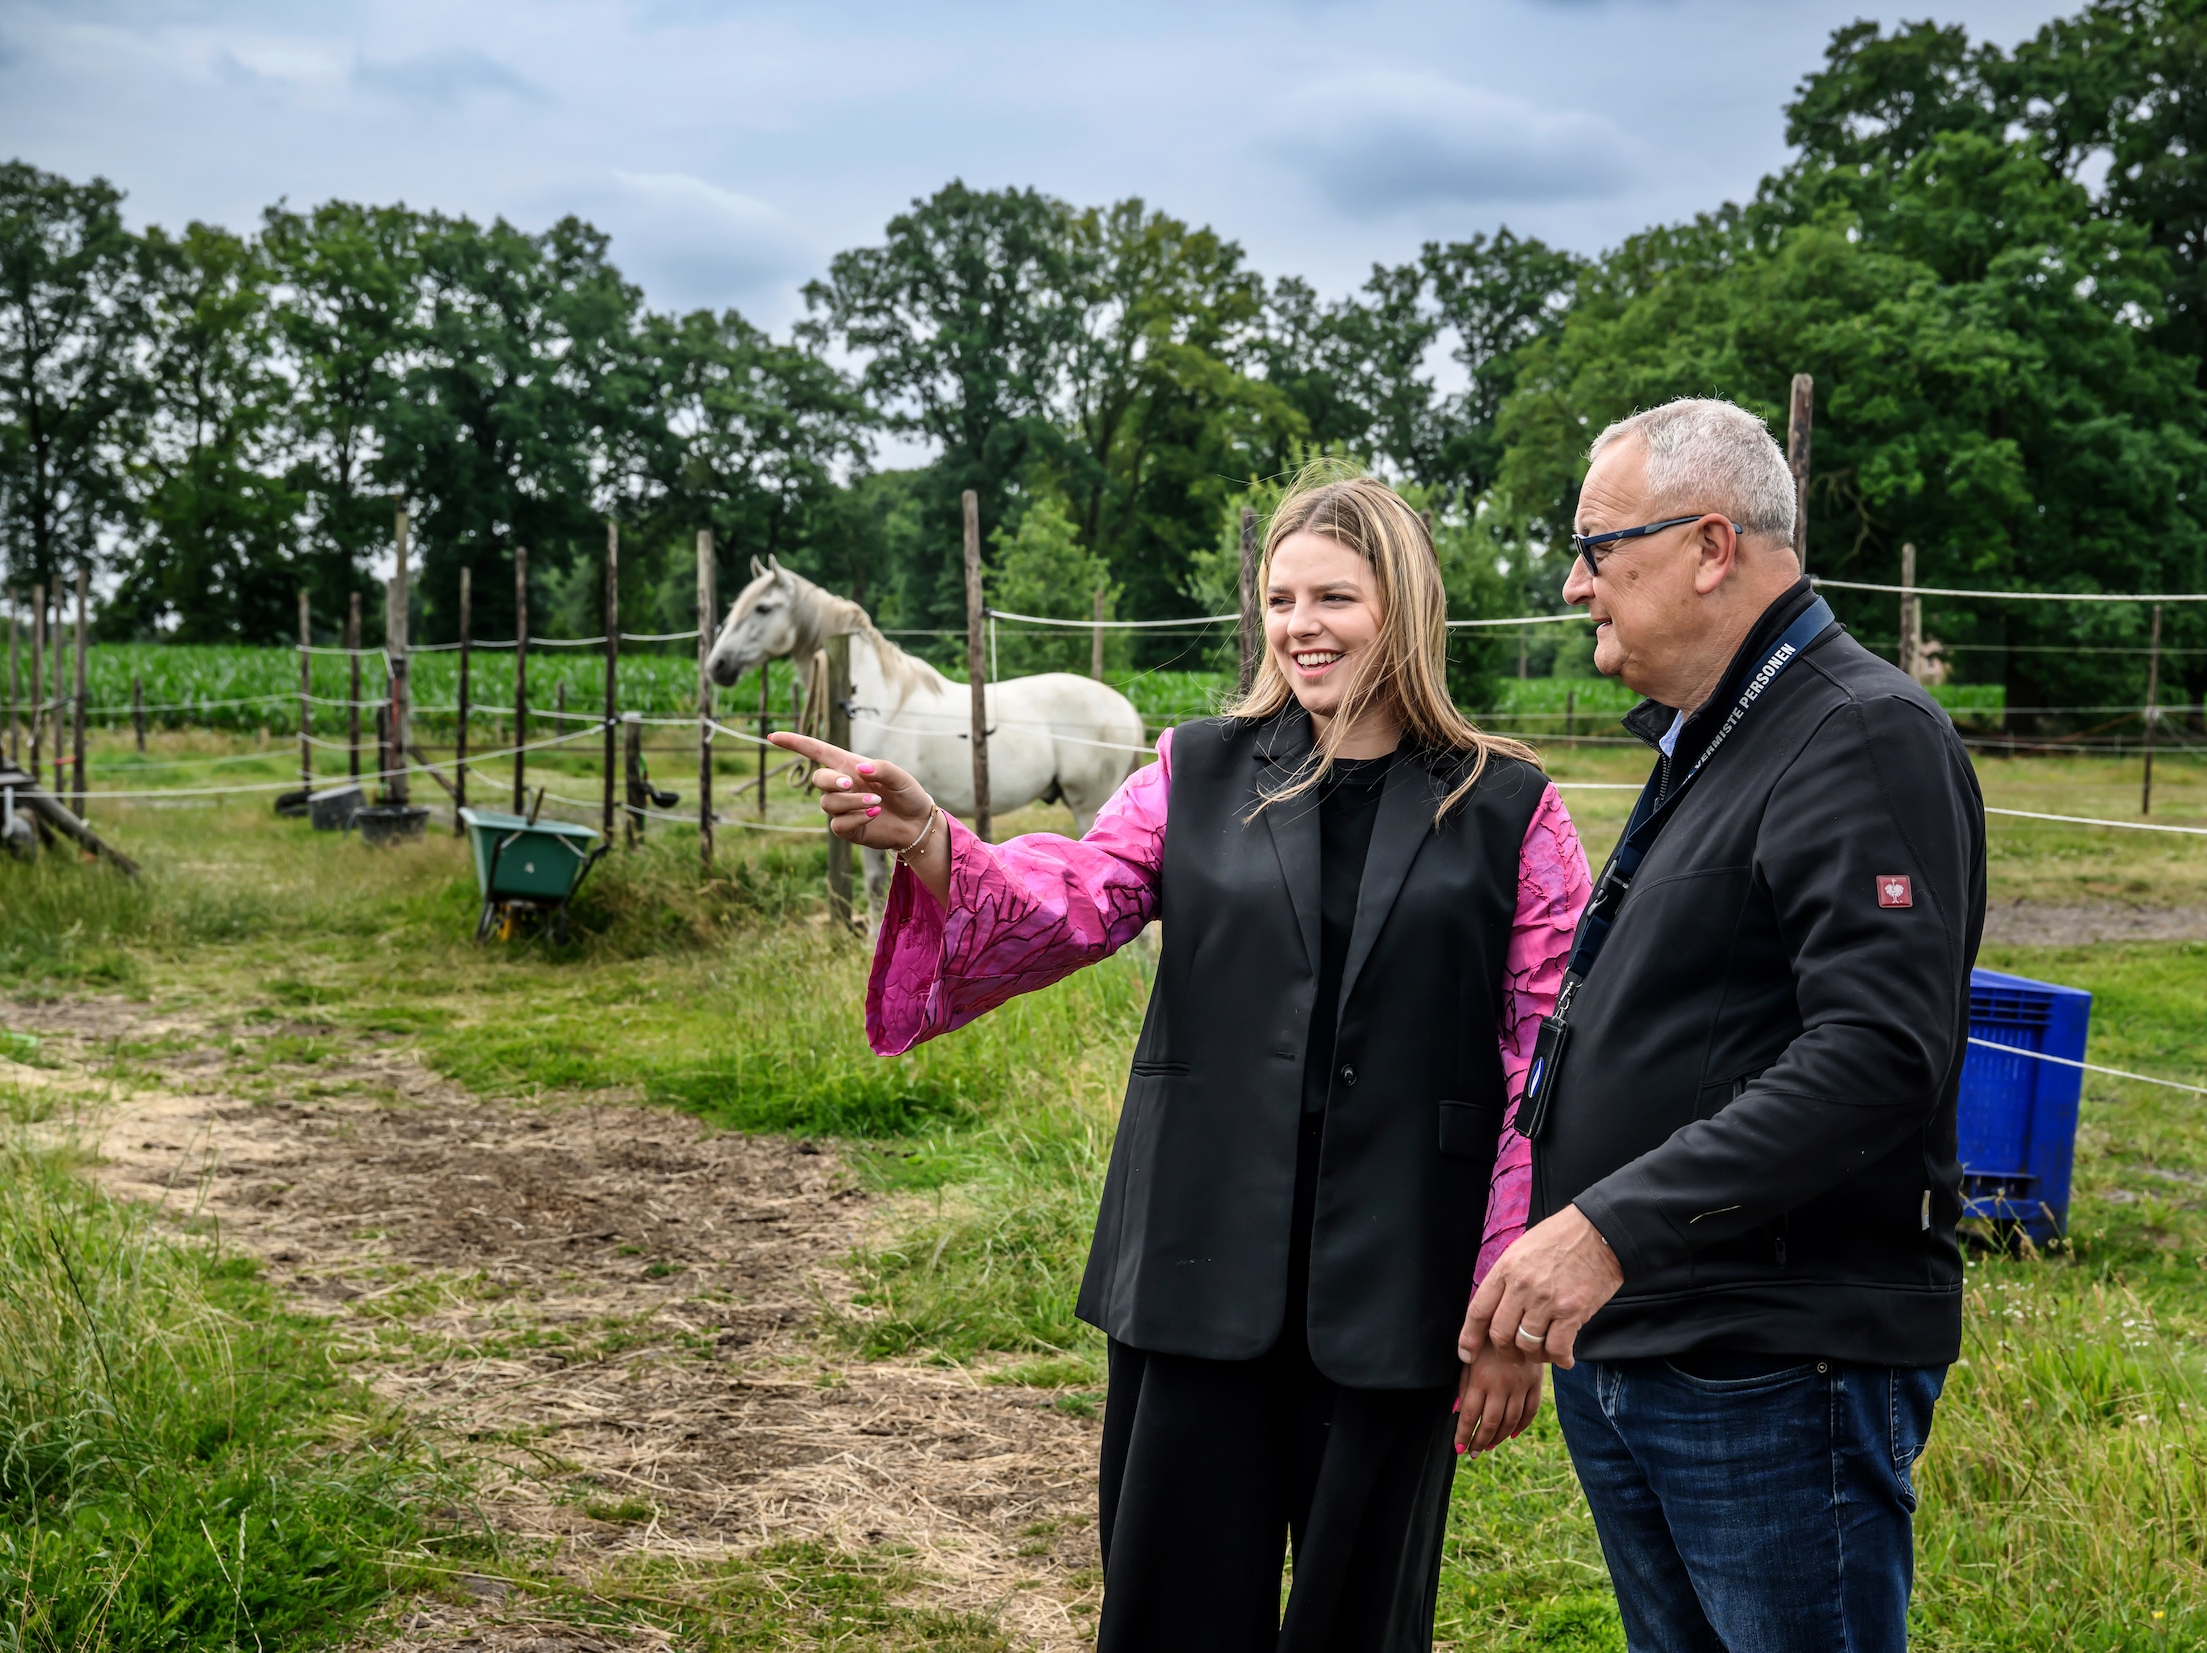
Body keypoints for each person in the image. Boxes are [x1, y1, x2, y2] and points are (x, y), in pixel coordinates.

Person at [773, 466, 1590, 1653]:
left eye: (1335, 599)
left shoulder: (1510, 806)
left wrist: (1507, 1317)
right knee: (1168, 1614)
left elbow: (1539, 1063)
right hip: (1195, 1262)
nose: (1301, 627)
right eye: (1279, 599)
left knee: (1362, 1627)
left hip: (1398, 1286)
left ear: (1403, 608)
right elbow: (1075, 900)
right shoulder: (1195, 771)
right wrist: (936, 842)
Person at [1461, 399, 1986, 1653]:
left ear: (1708, 544)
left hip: (1765, 1357)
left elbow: (1876, 1055)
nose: (1577, 586)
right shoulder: (1719, 733)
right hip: (1656, 1335)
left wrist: (1606, 1227)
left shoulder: (1854, 731)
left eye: (1599, 549)